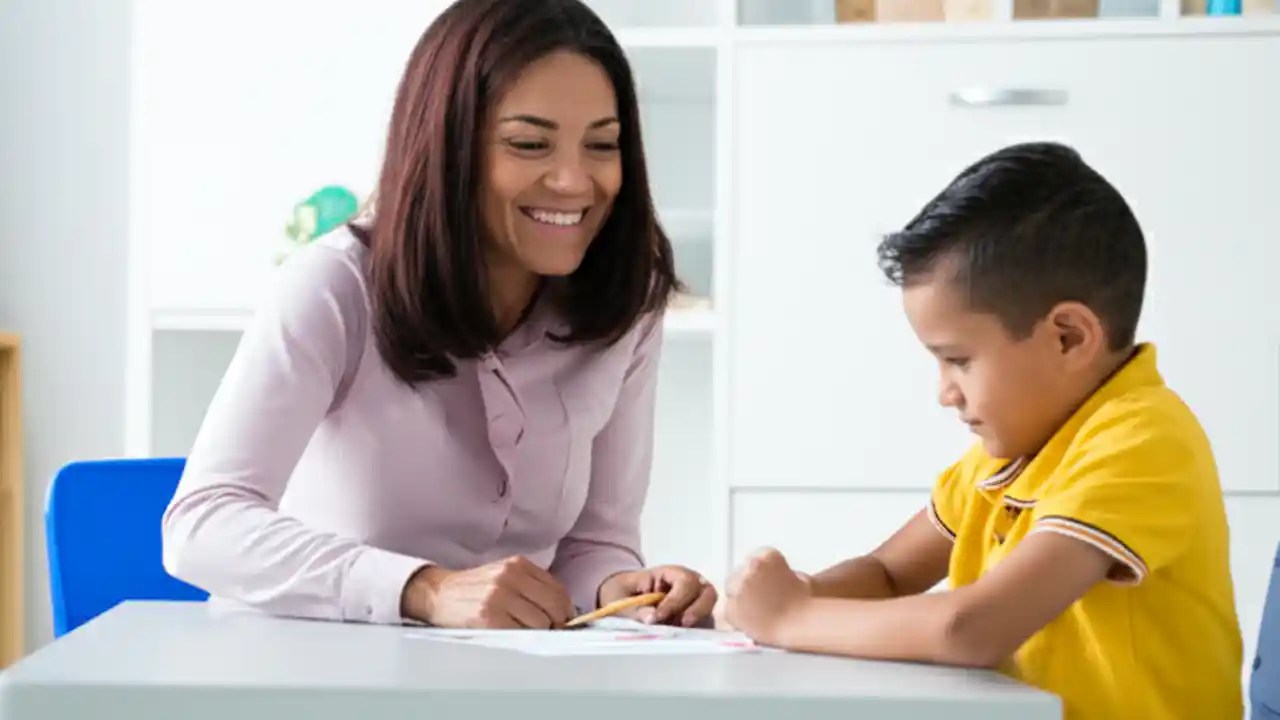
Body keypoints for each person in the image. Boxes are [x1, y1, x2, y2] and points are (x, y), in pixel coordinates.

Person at [162, 0, 717, 631]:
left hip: (501, 670)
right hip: (306, 661)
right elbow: (202, 524)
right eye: (529, 144)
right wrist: (424, 589)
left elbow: (595, 544)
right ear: (448, 147)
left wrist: (628, 588)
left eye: (602, 145)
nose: (573, 180)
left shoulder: (626, 302)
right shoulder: (336, 287)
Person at [724, 143, 1242, 719]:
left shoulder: (1142, 440)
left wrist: (793, 617)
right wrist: (777, 600)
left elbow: (972, 629)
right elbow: (889, 574)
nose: (945, 393)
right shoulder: (1012, 455)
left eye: (959, 361)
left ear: (1068, 337)